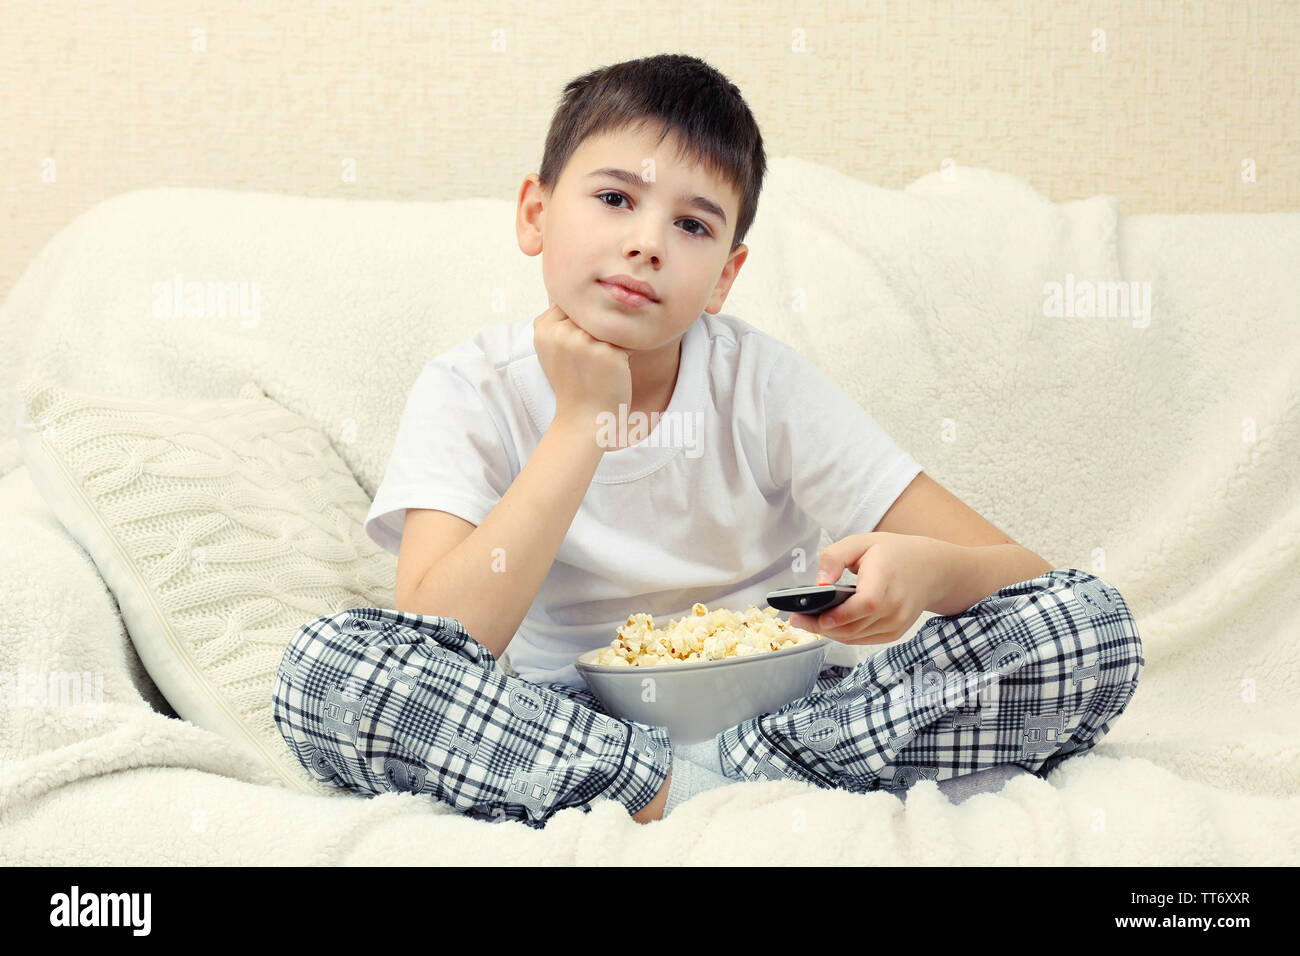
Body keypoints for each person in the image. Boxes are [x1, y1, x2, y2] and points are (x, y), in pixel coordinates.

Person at [272, 54, 1144, 828]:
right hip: (551, 720)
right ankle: (661, 786)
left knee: (1088, 628)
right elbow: (439, 632)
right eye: (615, 199)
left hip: (788, 715)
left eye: (692, 225)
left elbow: (1031, 576)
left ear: (727, 273)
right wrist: (580, 423)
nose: (646, 243)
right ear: (536, 213)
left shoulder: (762, 385)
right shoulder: (470, 389)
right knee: (326, 669)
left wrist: (930, 572)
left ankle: (725, 778)